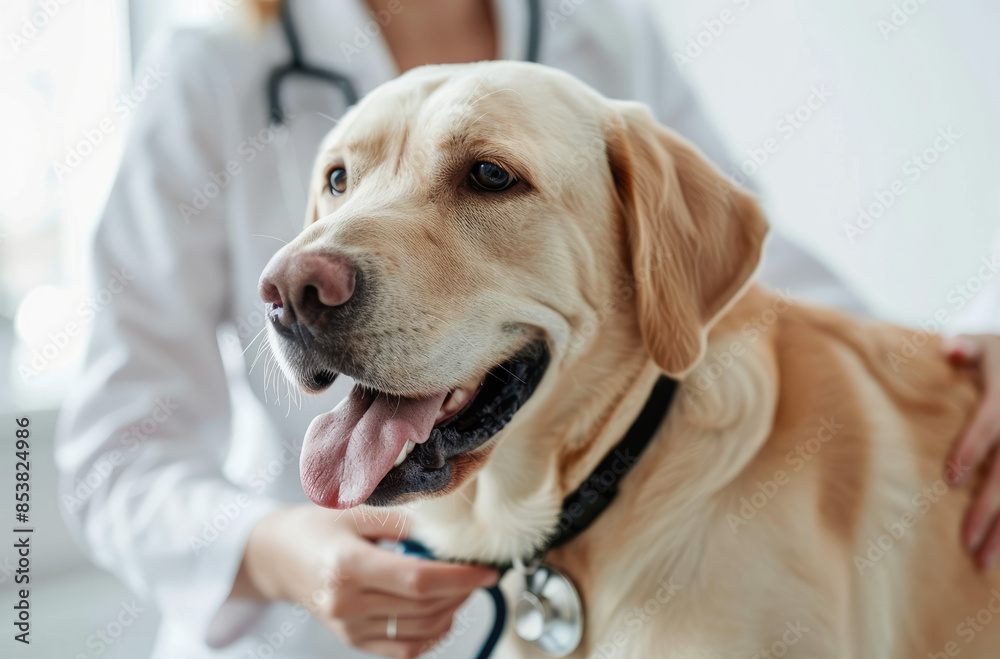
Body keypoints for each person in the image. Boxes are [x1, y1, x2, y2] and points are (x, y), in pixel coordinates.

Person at [55, 1, 1000, 658]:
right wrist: (278, 553)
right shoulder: (210, 65)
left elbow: (725, 265)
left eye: (489, 177)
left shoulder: (602, 30)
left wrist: (973, 349)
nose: (316, 266)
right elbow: (111, 452)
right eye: (338, 180)